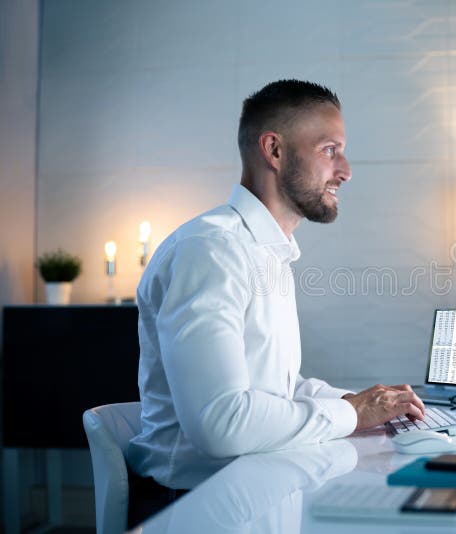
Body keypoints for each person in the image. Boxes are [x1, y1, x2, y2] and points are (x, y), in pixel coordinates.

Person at [127, 80, 425, 521]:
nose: (345, 170)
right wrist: (351, 413)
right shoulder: (211, 250)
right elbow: (221, 423)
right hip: (197, 508)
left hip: (249, 494)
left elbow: (276, 389)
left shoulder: (264, 252)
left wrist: (370, 405)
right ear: (275, 150)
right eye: (330, 150)